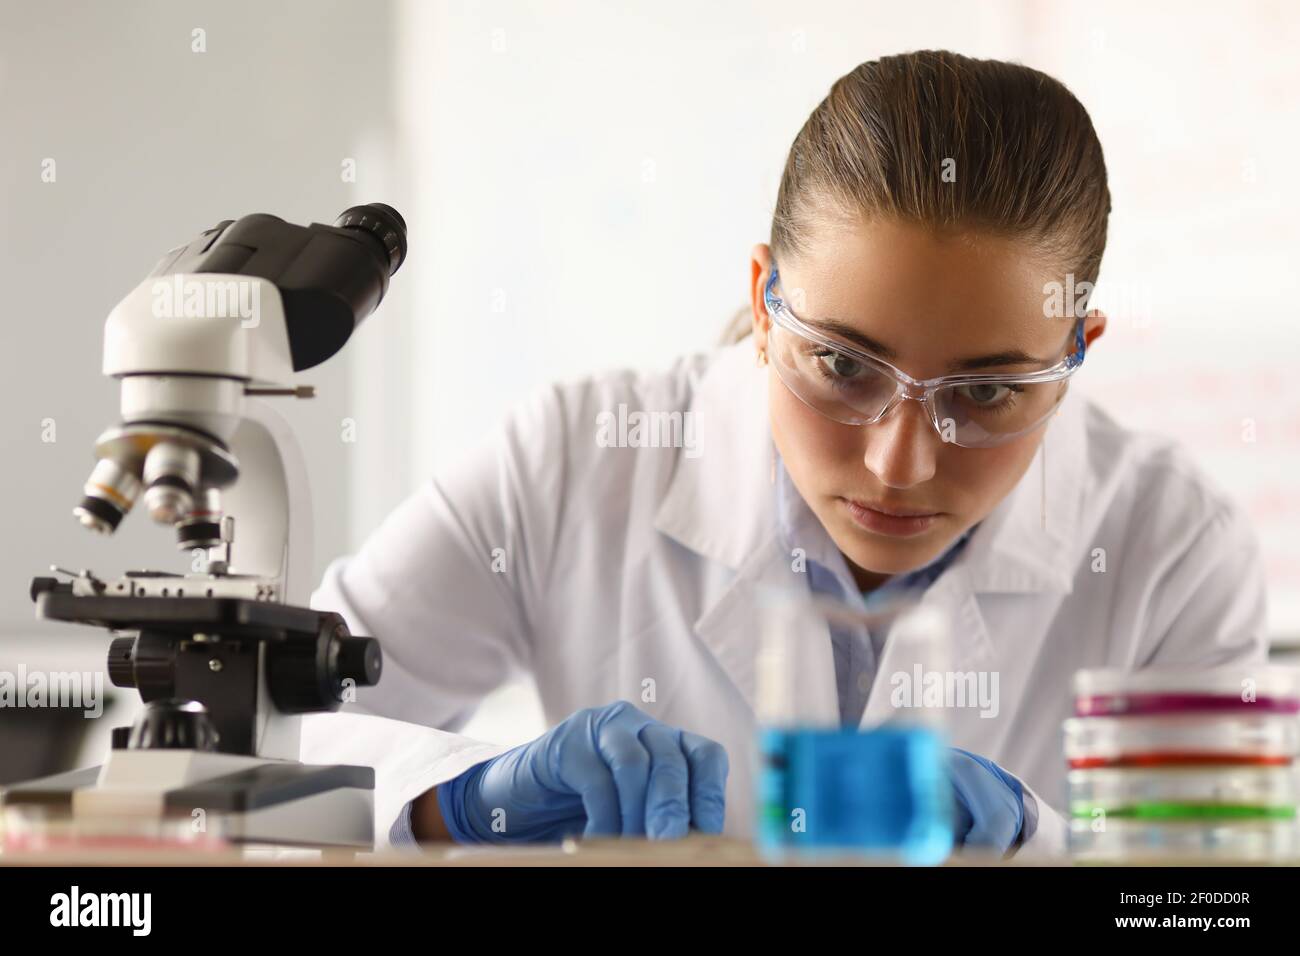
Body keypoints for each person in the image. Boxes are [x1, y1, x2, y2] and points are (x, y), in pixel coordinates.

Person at [309, 50, 1267, 856]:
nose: (900, 464)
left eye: (984, 393)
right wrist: (461, 801)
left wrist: (1040, 846)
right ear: (767, 304)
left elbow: (1207, 903)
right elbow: (270, 741)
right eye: (844, 366)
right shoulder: (573, 461)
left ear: (1074, 357)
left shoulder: (1174, 548)